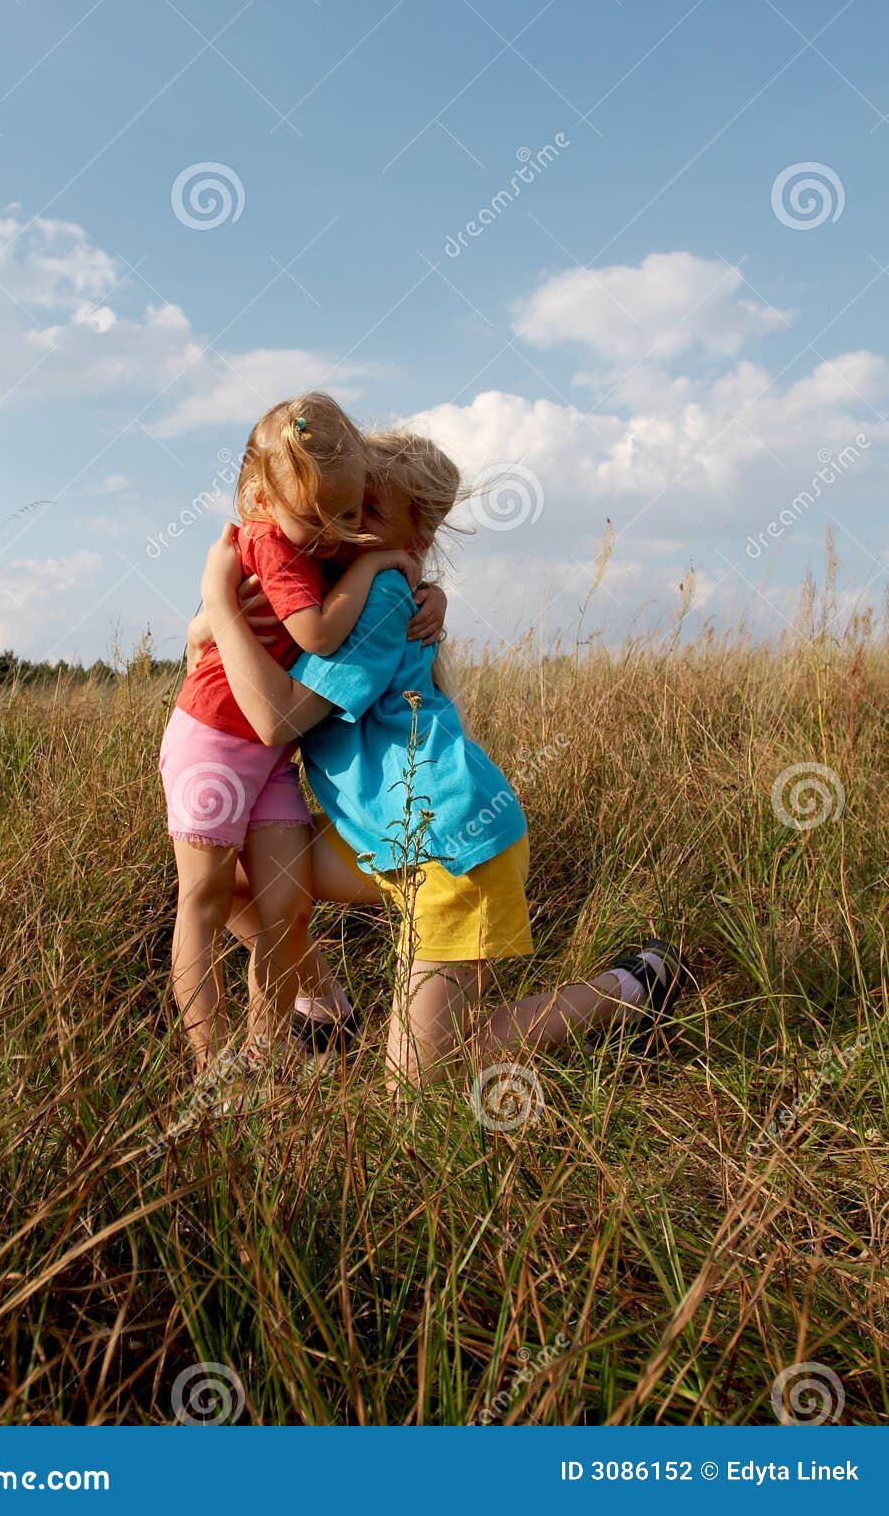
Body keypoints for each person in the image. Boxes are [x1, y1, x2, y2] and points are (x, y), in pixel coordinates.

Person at [198, 430, 683, 1094]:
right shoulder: (332, 587)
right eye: (337, 506)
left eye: (364, 514)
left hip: (451, 850)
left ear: (413, 538)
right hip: (381, 840)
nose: (339, 527)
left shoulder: (378, 600)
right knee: (226, 879)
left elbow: (276, 718)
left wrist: (221, 605)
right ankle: (326, 1011)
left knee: (419, 1087)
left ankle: (628, 989)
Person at [160, 393, 424, 1078]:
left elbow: (383, 593)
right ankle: (210, 1062)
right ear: (258, 494)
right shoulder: (275, 541)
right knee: (206, 899)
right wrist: (373, 565)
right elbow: (315, 632)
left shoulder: (309, 539)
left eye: (346, 512)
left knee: (287, 904)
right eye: (318, 515)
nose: (334, 532)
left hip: (269, 755)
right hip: (214, 741)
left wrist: (417, 582)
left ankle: (264, 1050)